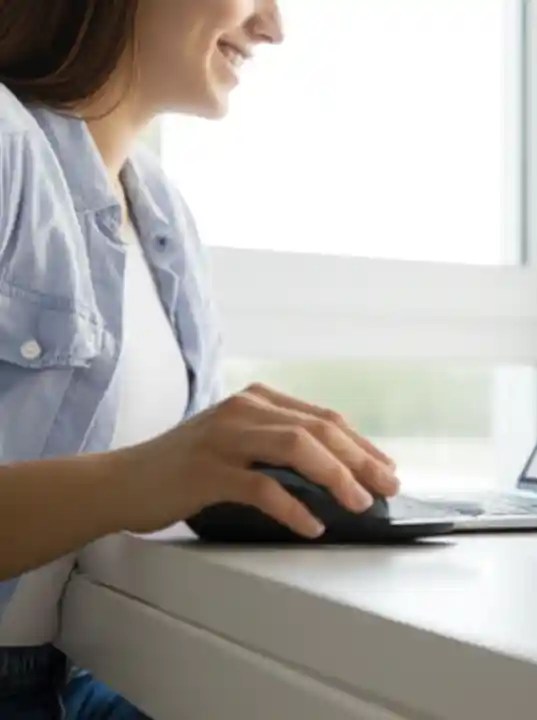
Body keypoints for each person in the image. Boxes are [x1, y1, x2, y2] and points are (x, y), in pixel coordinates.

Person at [0, 1, 402, 716]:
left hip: (78, 675)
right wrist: (143, 475)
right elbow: (142, 480)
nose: (273, 27)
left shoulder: (162, 215)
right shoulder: (5, 142)